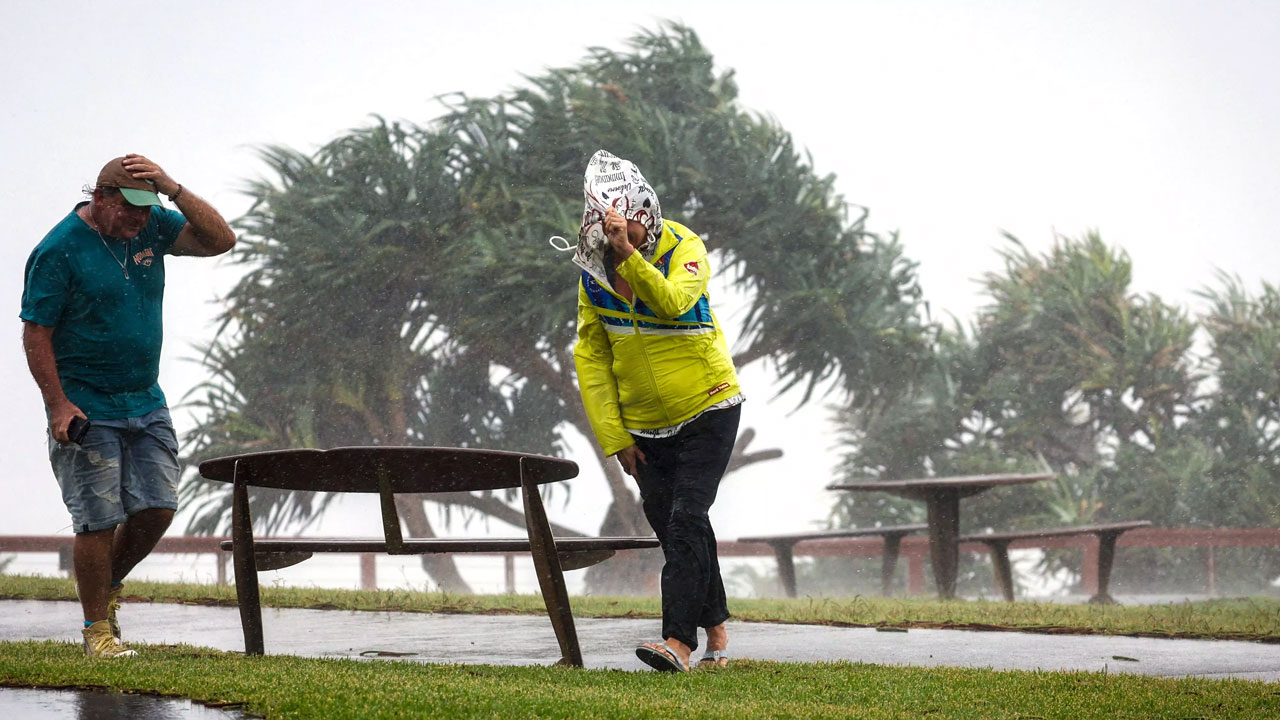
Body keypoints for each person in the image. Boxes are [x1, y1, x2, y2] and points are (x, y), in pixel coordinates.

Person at [20, 155, 236, 658]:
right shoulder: (58, 250)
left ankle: (106, 585)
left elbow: (221, 240)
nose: (139, 217)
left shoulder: (153, 225)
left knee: (159, 507)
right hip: (86, 405)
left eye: (147, 207)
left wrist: (173, 189)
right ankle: (97, 631)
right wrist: (58, 405)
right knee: (97, 519)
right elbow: (36, 333)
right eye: (129, 207)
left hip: (145, 399)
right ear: (100, 198)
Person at [572, 150, 743, 672]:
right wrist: (616, 438)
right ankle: (716, 629)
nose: (616, 245)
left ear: (646, 215)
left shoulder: (685, 247)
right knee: (677, 530)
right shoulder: (593, 275)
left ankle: (678, 643)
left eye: (626, 234)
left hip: (708, 407)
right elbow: (592, 358)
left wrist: (631, 258)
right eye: (609, 237)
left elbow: (672, 302)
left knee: (687, 517)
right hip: (644, 430)